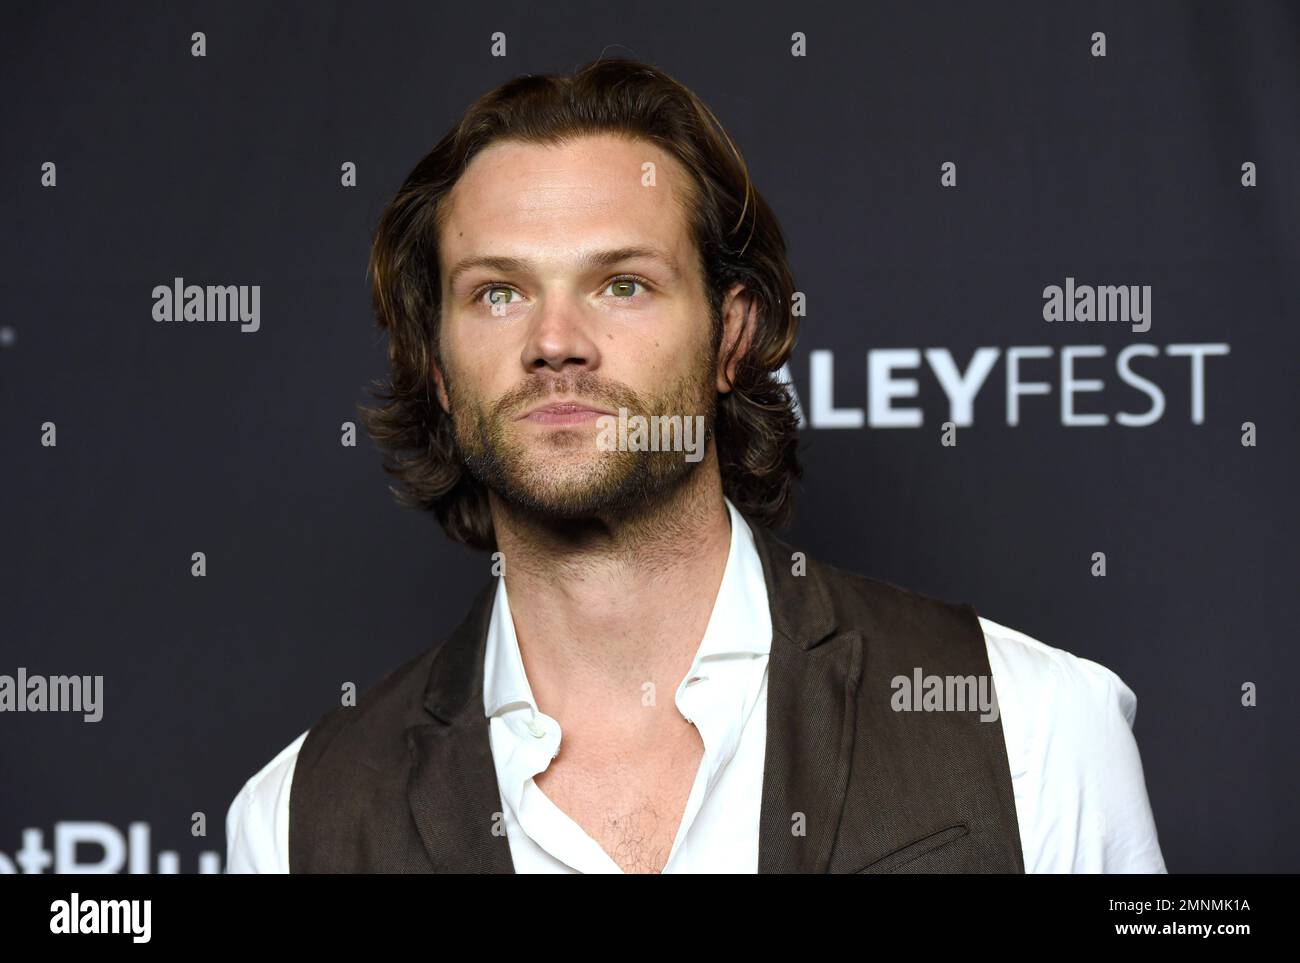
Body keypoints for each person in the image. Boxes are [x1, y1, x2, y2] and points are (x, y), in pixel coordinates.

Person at [226, 57, 1165, 874]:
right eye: (499, 292)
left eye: (623, 283)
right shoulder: (297, 823)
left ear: (734, 334)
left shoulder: (1031, 725)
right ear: (435, 366)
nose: (556, 341)